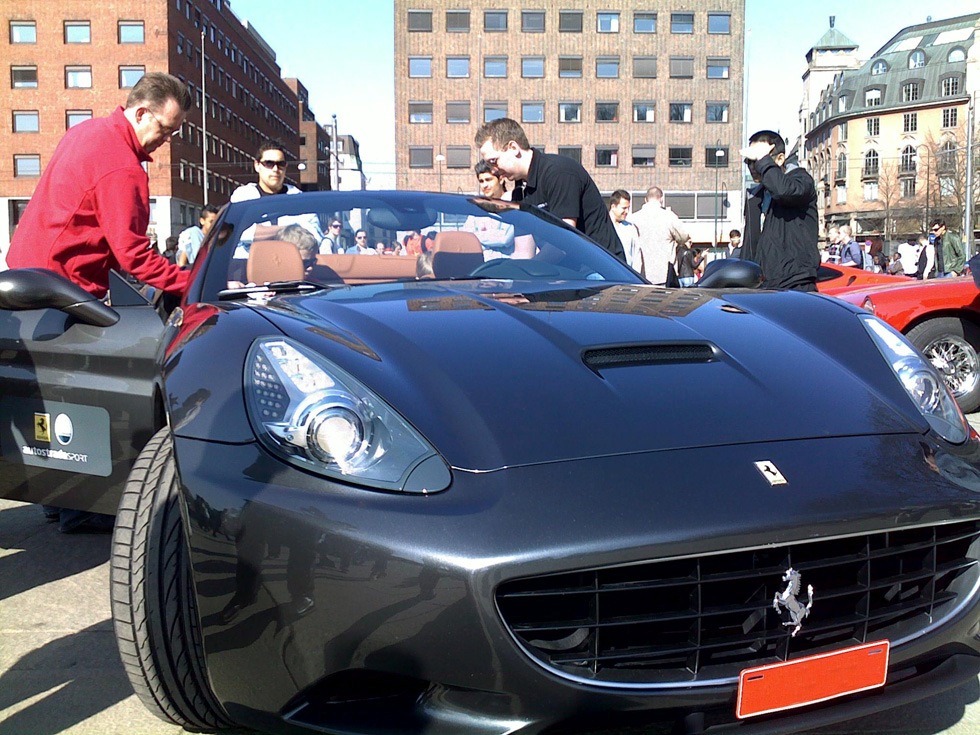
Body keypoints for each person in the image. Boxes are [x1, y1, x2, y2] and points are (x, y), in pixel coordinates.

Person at [6, 72, 191, 301]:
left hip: (25, 276)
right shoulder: (123, 166)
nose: (168, 139)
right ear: (142, 114)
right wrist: (193, 283)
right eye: (165, 129)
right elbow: (133, 254)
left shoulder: (85, 130)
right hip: (60, 291)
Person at [474, 117, 625, 261]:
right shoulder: (520, 190)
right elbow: (523, 252)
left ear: (513, 148)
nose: (493, 170)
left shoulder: (559, 173)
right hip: (569, 272)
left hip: (602, 272)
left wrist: (534, 269)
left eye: (494, 161)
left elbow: (563, 241)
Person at [739, 130, 819, 291]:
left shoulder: (801, 181)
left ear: (780, 158)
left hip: (795, 282)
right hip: (760, 287)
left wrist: (764, 161)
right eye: (749, 161)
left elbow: (784, 191)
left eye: (757, 160)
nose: (753, 167)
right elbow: (750, 245)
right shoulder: (755, 197)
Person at [229, 141, 324, 251]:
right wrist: (289, 230)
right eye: (269, 163)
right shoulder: (243, 195)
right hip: (248, 265)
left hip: (290, 264)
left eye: (280, 164)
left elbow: (314, 237)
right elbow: (240, 233)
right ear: (257, 165)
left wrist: (263, 232)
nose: (275, 169)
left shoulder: (299, 198)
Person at [629, 186, 689, 284]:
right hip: (665, 276)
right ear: (661, 199)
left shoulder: (633, 219)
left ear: (645, 200)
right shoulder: (669, 217)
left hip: (640, 276)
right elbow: (684, 237)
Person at [463, 161, 516, 259]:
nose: (484, 185)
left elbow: (505, 238)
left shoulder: (513, 204)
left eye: (488, 180)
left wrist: (477, 237)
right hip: (480, 269)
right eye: (481, 181)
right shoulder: (478, 207)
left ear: (501, 179)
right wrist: (493, 236)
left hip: (507, 268)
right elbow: (466, 237)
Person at [608, 190, 641, 272]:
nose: (627, 211)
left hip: (627, 277)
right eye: (624, 208)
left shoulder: (631, 228)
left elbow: (636, 256)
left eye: (628, 208)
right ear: (613, 207)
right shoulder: (603, 226)